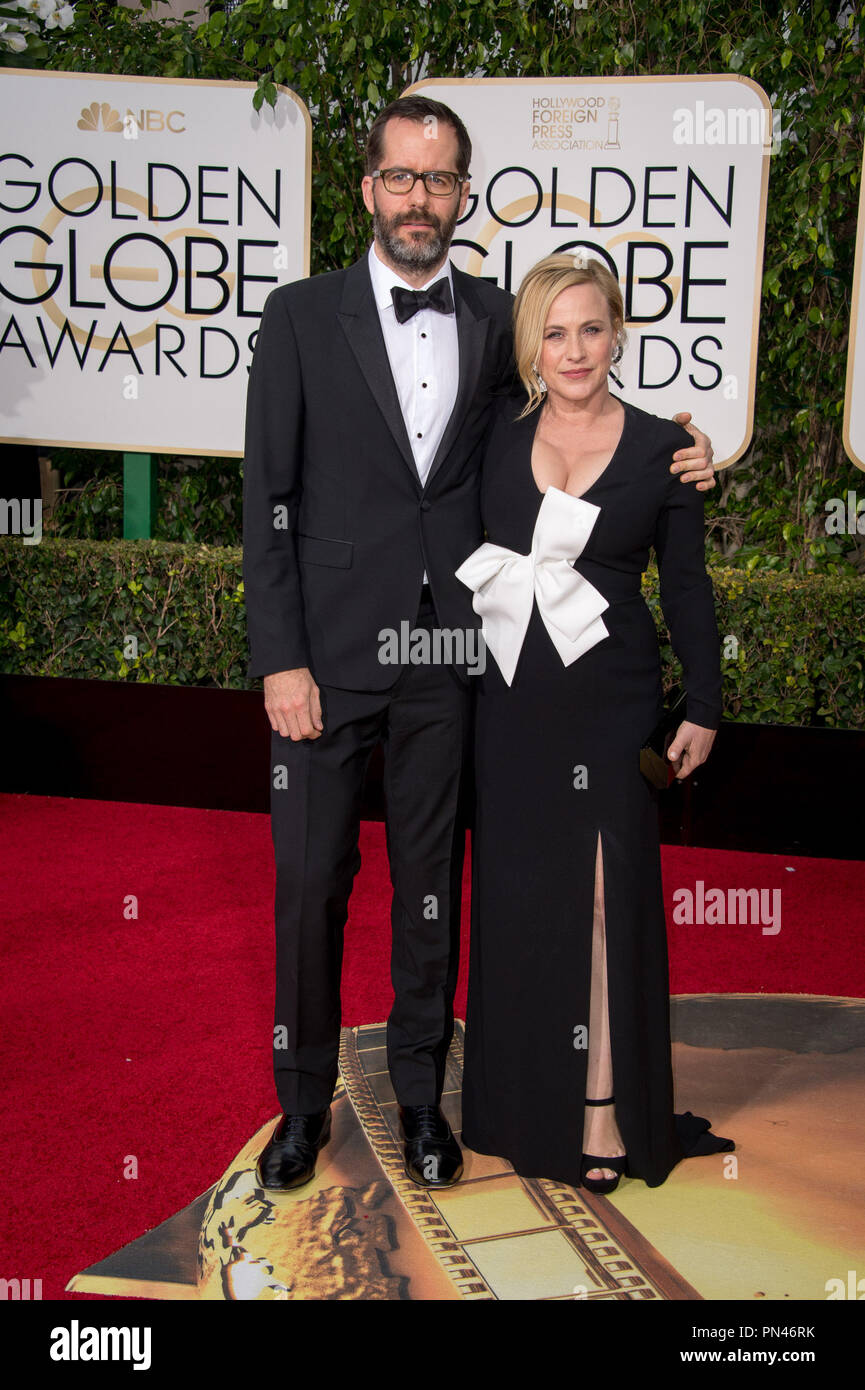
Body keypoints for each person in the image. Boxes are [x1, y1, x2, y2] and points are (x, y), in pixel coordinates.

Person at [241, 96, 717, 1195]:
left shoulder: (506, 320)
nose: (419, 199)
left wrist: (689, 452)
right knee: (309, 883)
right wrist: (280, 658)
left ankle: (420, 1100)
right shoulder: (301, 315)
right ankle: (301, 1105)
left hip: (452, 658)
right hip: (322, 660)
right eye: (400, 178)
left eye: (440, 180)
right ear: (367, 189)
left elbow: (583, 422)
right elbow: (265, 495)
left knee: (430, 888)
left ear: (464, 194)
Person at [456, 253, 734, 1193]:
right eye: (554, 330)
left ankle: (603, 1109)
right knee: (522, 899)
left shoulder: (664, 447)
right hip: (508, 703)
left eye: (590, 327)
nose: (573, 349)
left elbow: (687, 588)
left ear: (617, 332)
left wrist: (702, 703)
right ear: (531, 344)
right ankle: (519, 1103)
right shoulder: (493, 432)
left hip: (610, 704)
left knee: (605, 902)